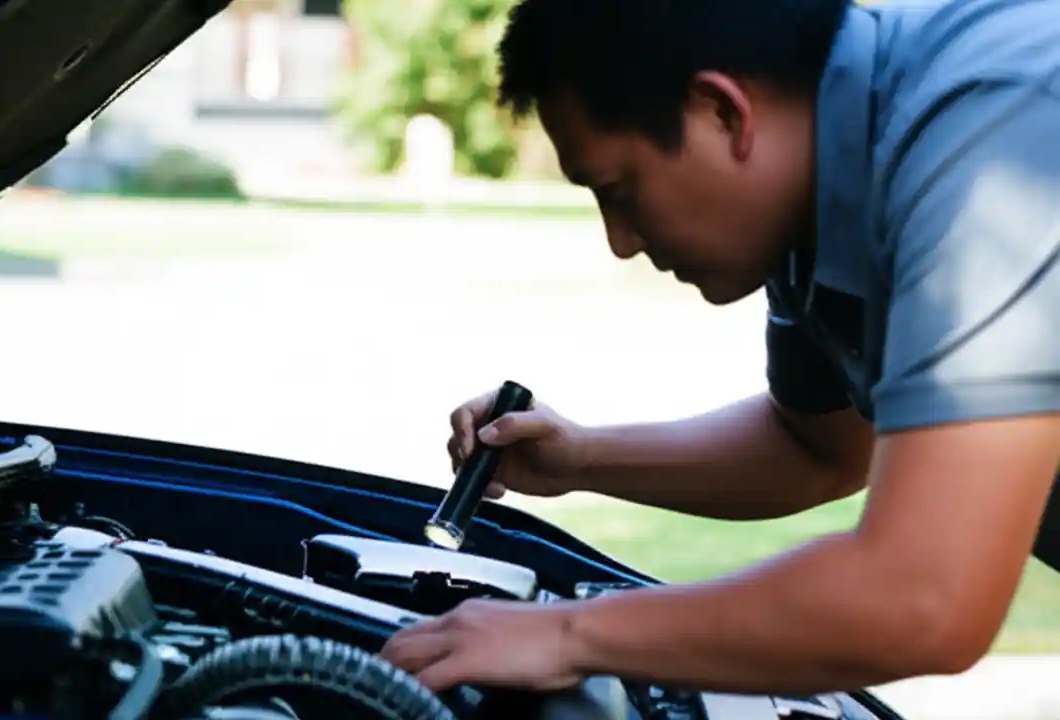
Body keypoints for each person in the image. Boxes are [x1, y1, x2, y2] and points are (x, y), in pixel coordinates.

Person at [380, 0, 1060, 697]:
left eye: (619, 190)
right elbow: (819, 449)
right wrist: (582, 456)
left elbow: (924, 598)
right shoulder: (821, 189)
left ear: (723, 114)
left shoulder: (990, 132)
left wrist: (567, 634)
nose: (621, 241)